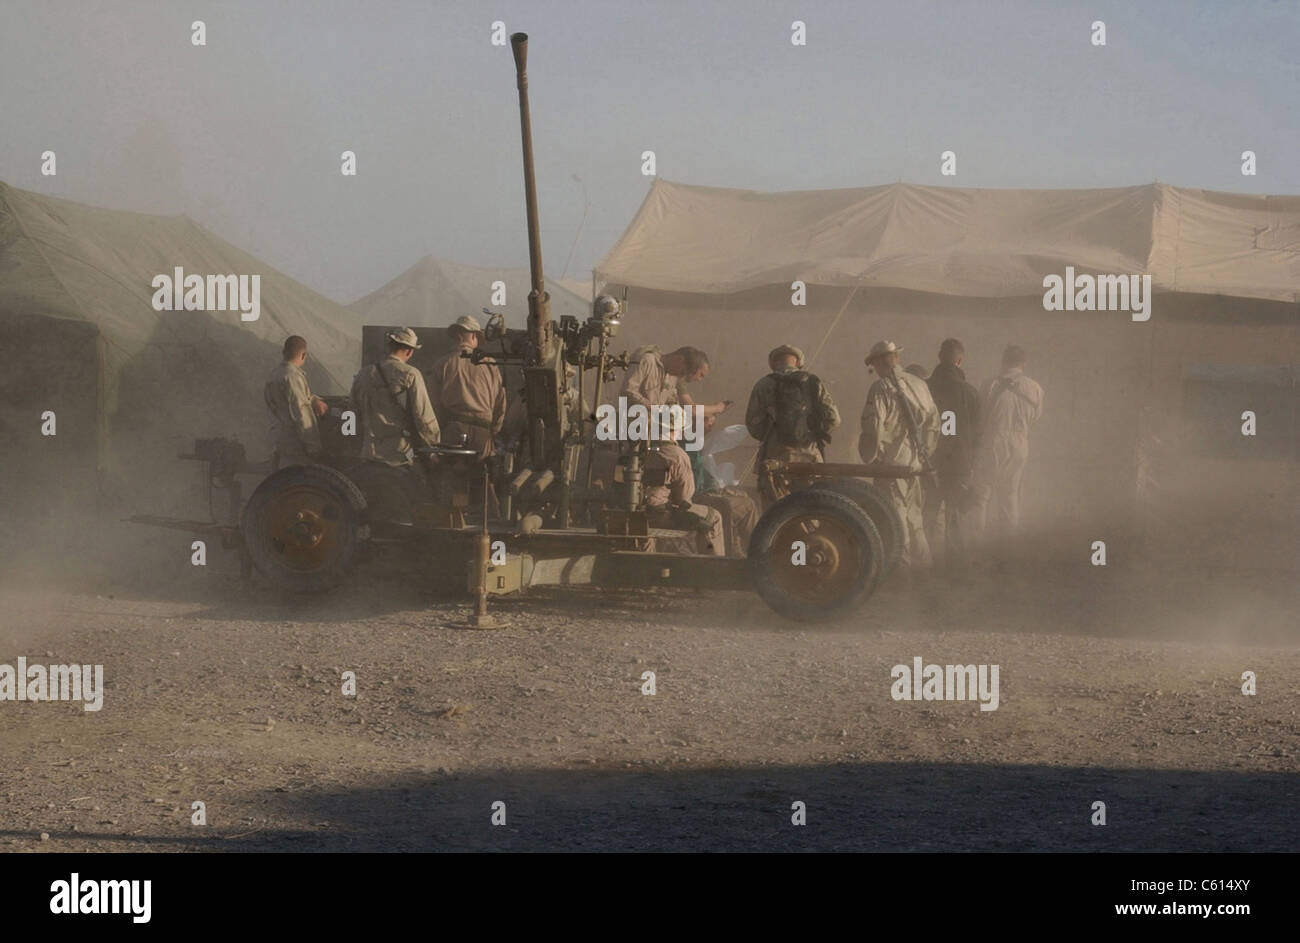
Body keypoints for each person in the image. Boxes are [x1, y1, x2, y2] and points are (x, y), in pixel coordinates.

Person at [859, 340, 940, 568]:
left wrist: (872, 458)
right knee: (916, 519)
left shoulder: (880, 388)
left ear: (877, 363)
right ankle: (925, 568)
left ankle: (901, 572)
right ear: (897, 358)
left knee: (895, 520)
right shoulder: (920, 384)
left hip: (892, 465)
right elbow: (934, 424)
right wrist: (926, 455)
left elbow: (873, 428)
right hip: (917, 462)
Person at [349, 327, 441, 522]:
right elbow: (424, 417)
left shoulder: (363, 374)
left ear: (389, 346)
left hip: (369, 456)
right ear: (409, 351)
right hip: (399, 457)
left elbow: (351, 412)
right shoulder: (410, 374)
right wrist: (433, 448)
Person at [924, 338, 981, 566]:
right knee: (955, 516)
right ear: (960, 360)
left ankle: (926, 562)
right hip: (959, 463)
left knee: (928, 513)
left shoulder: (924, 388)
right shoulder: (970, 392)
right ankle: (955, 566)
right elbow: (979, 433)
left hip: (929, 461)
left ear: (939, 358)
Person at [976, 344, 1044, 537]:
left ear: (1003, 361)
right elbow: (1036, 418)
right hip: (1020, 443)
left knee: (982, 496)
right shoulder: (1035, 388)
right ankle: (1007, 546)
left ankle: (976, 545)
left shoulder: (989, 384)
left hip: (992, 441)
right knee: (1010, 495)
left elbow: (980, 414)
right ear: (1023, 364)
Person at [427, 314, 506, 461]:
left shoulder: (441, 365)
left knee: (451, 477)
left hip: (453, 431)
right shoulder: (489, 364)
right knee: (482, 478)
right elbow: (500, 402)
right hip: (483, 432)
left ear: (456, 336)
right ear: (474, 336)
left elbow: (433, 405)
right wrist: (492, 431)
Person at [689, 414, 759, 556]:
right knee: (746, 505)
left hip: (705, 492)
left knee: (743, 499)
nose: (710, 428)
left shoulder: (696, 444)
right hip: (699, 496)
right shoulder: (693, 445)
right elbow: (697, 481)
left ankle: (742, 547)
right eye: (707, 424)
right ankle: (754, 550)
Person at [264, 335, 328, 467]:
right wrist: (314, 448)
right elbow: (301, 413)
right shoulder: (293, 377)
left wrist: (313, 399)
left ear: (283, 352)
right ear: (304, 355)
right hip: (295, 446)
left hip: (278, 442)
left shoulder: (274, 374)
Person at [620, 345, 712, 409]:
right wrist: (652, 408)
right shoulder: (648, 361)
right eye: (682, 372)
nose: (680, 376)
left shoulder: (672, 377)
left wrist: (675, 412)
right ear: (679, 360)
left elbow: (671, 400)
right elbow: (628, 390)